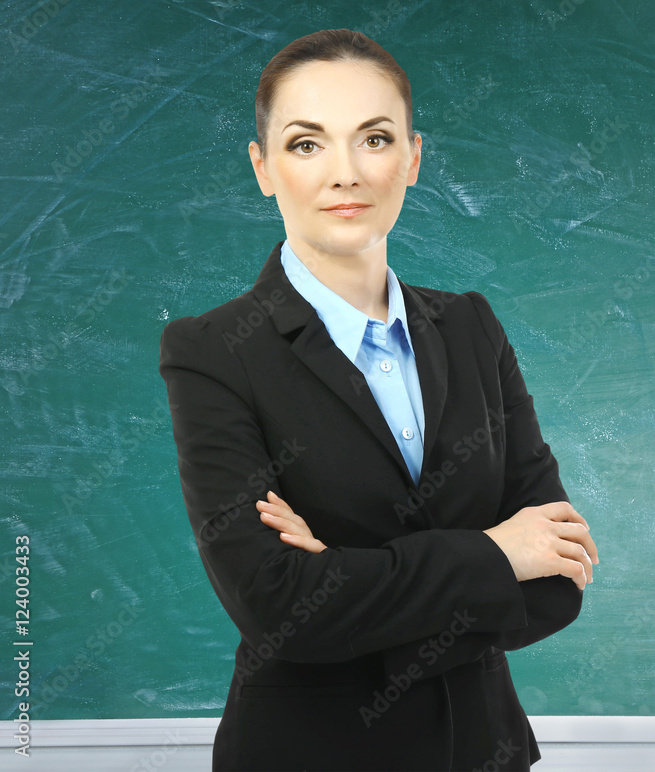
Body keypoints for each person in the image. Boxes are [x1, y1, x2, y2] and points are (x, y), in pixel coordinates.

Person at [159, 29, 598, 772]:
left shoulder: (471, 327)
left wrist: (345, 579)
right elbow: (276, 607)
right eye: (306, 144)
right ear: (263, 168)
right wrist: (495, 555)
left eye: (374, 138)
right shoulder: (211, 351)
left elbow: (556, 580)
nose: (345, 173)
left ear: (413, 158)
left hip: (483, 751)